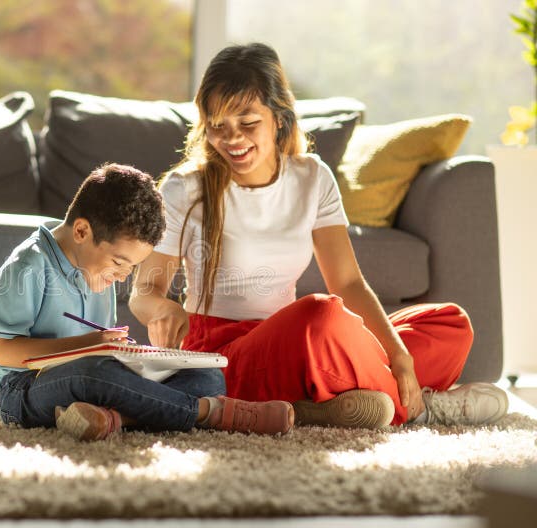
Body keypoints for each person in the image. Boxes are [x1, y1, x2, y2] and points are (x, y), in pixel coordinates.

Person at [128, 43, 508, 429]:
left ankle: (322, 400)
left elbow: (348, 282)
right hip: (224, 359)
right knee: (321, 316)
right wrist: (163, 307)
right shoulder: (184, 187)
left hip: (302, 342)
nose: (233, 139)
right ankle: (422, 409)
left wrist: (399, 355)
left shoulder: (312, 177)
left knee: (450, 322)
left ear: (278, 118)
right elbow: (144, 292)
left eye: (247, 123)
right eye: (218, 126)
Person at [0, 163, 295, 441]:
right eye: (119, 264)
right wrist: (88, 346)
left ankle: (114, 419)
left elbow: (102, 355)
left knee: (206, 376)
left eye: (130, 269)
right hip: (25, 389)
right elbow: (3, 351)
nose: (121, 278)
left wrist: (132, 355)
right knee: (92, 373)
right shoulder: (27, 268)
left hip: (94, 378)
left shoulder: (97, 269)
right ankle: (209, 412)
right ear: (81, 231)